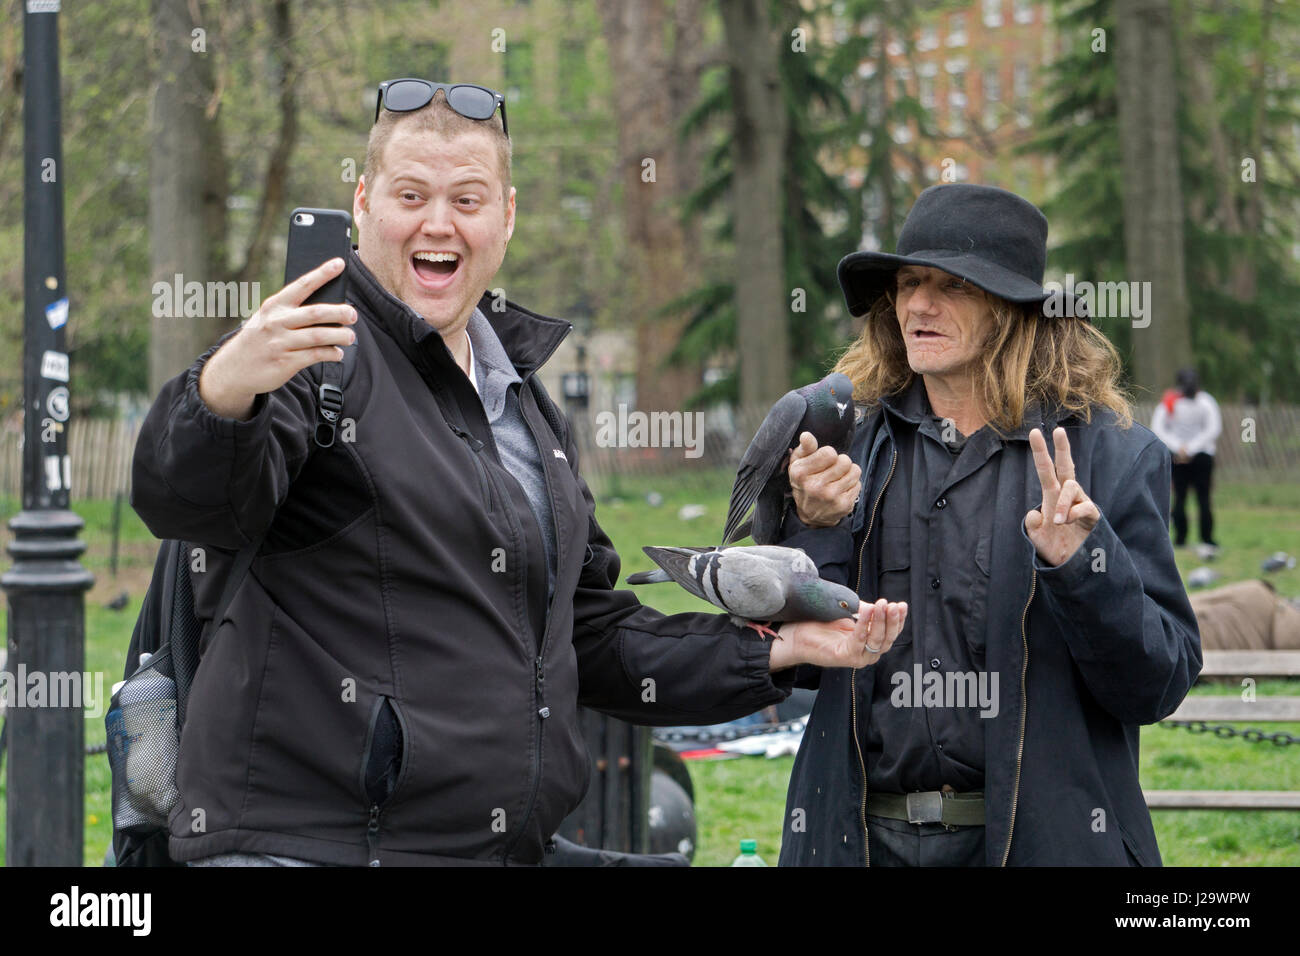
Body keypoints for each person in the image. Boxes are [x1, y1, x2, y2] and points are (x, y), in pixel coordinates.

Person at [130, 79, 906, 867]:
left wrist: (777, 650)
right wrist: (224, 389)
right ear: (363, 204)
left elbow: (591, 636)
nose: (439, 223)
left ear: (507, 218)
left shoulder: (524, 403)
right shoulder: (311, 359)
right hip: (313, 849)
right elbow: (186, 500)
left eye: (468, 200)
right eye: (410, 195)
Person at [768, 183, 1202, 866]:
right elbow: (790, 668)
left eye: (951, 286)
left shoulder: (1110, 457)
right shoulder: (844, 447)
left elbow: (1155, 685)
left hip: (1038, 845)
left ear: (1013, 310)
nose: (918, 304)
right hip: (856, 841)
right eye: (909, 282)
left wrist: (1081, 567)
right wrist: (813, 525)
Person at [1151, 367, 1221, 553]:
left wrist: (1185, 448)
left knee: (1193, 498)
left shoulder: (1202, 402)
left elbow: (1212, 429)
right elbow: (1159, 427)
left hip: (1192, 456)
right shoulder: (1172, 402)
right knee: (1188, 498)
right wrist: (1182, 447)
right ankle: (1190, 538)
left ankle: (1196, 538)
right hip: (1192, 454)